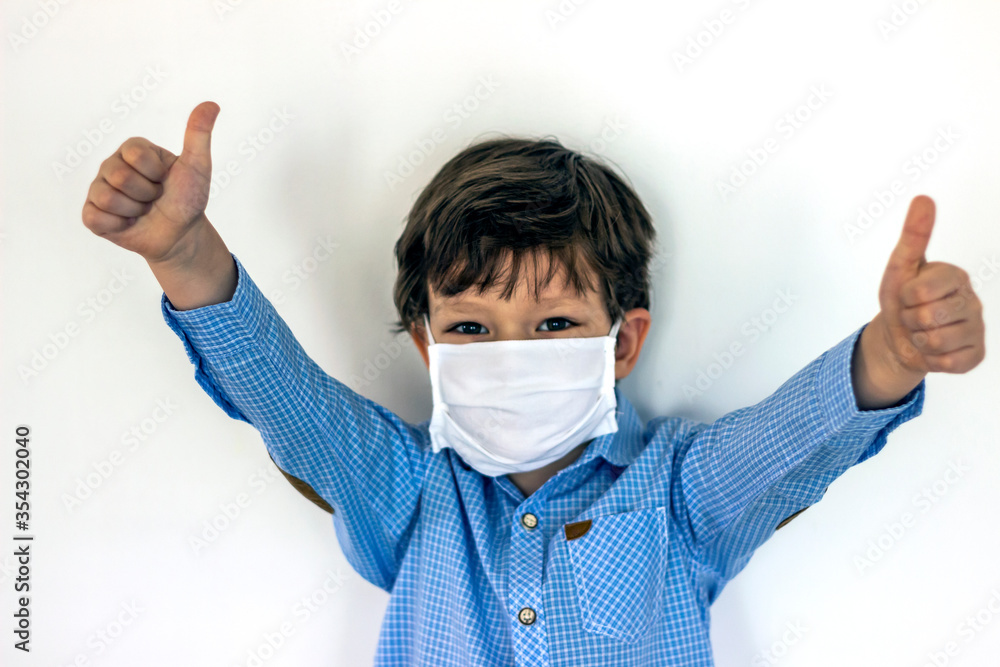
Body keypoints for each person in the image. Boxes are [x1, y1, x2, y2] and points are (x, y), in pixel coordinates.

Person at [81, 101, 985, 666]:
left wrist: (895, 350)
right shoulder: (407, 493)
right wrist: (188, 254)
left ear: (623, 341)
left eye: (554, 325)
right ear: (429, 347)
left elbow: (796, 439)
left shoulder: (676, 493)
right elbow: (292, 404)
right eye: (472, 327)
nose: (512, 352)